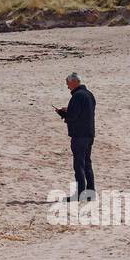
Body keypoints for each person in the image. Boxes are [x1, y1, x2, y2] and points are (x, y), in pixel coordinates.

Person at [55, 72, 96, 201]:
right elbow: (85, 112)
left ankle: (80, 194)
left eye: (68, 83)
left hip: (80, 134)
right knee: (87, 163)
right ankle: (90, 193)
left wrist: (63, 113)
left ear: (74, 82)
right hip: (89, 133)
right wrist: (69, 111)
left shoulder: (78, 96)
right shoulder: (89, 94)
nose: (67, 86)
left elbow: (73, 116)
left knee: (79, 165)